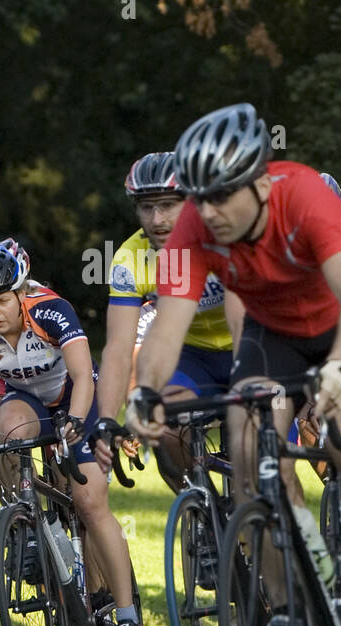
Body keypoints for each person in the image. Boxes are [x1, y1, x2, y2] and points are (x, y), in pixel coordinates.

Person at [126, 102, 341, 626]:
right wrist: (145, 392)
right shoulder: (194, 228)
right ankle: (291, 610)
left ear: (260, 182)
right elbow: (166, 326)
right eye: (199, 197)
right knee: (248, 461)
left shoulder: (304, 195)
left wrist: (339, 367)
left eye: (221, 195)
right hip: (274, 334)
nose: (208, 211)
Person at [0, 239, 143, 626]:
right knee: (3, 423)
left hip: (75, 398)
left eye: (1, 300)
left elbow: (85, 375)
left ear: (21, 291)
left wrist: (75, 421)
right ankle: (29, 521)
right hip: (24, 399)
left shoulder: (51, 310)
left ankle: (127, 619)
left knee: (89, 502)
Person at [95, 151, 240, 491]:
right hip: (191, 356)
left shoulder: (224, 238)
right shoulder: (130, 258)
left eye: (167, 205)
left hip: (245, 345)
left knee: (255, 453)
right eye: (147, 207)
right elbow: (118, 347)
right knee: (166, 424)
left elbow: (245, 321)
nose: (157, 219)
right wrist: (105, 420)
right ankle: (202, 510)